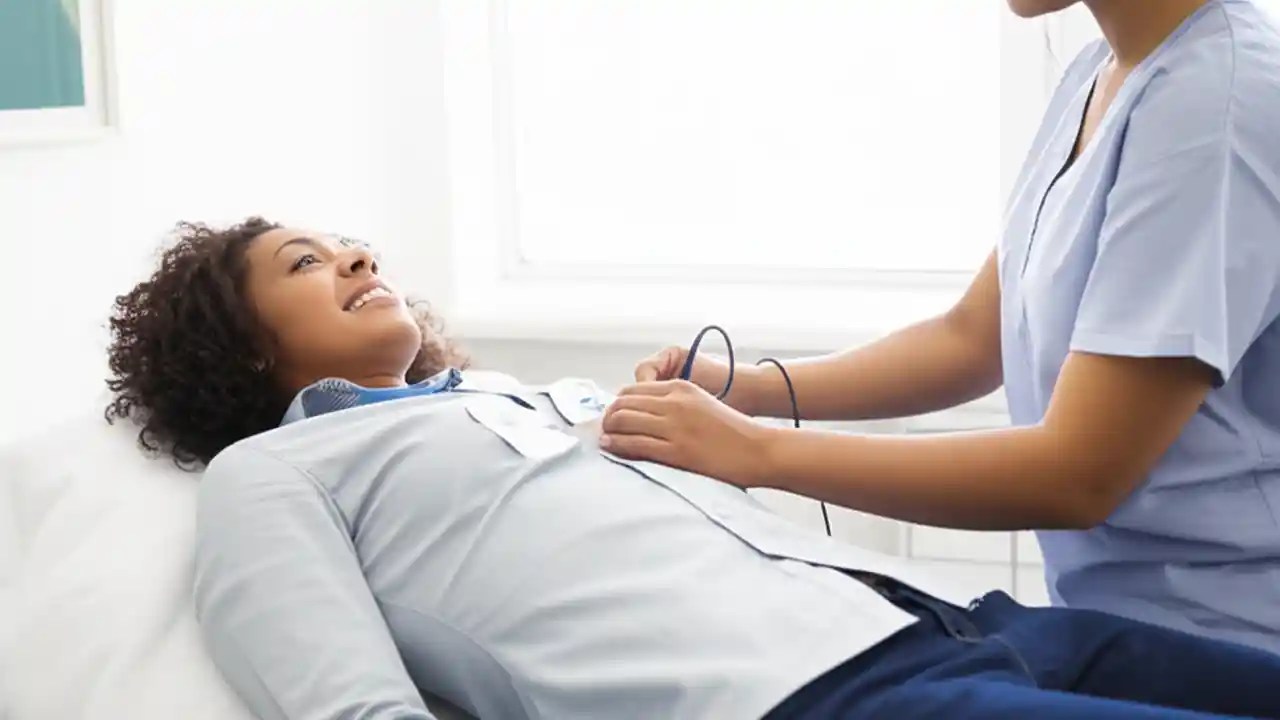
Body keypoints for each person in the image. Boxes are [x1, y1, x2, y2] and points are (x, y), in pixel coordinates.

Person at [104, 218, 1280, 720]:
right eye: (307, 263)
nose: (358, 251)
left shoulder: (510, 396)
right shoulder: (274, 475)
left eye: (346, 237)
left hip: (953, 623)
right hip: (809, 703)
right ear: (244, 347)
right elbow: (352, 708)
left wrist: (735, 409)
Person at [604, 0, 1280, 654]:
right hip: (1125, 631)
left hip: (1231, 650)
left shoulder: (1214, 108)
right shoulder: (1102, 74)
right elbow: (972, 339)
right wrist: (752, 390)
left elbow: (1077, 473)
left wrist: (757, 452)